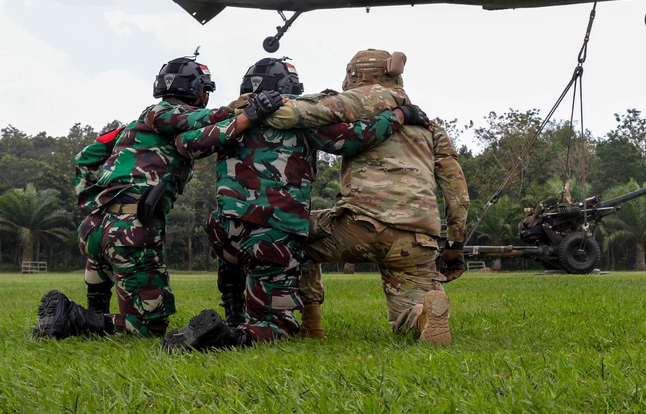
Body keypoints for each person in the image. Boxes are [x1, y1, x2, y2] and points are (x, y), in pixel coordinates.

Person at [159, 57, 428, 352]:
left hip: (225, 231)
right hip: (273, 233)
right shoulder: (299, 121)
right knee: (277, 326)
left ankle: (234, 317)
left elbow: (187, 143)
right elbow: (353, 140)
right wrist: (399, 115)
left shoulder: (234, 118)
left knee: (236, 259)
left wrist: (242, 118)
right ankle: (227, 336)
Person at [33, 56, 282, 340]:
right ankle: (71, 317)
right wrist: (245, 113)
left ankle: (82, 319)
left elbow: (84, 157)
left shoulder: (132, 127)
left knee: (113, 291)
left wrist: (89, 202)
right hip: (130, 230)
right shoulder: (166, 114)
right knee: (148, 327)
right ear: (200, 92)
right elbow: (196, 122)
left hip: (95, 227)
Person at [265, 49, 470, 345]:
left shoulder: (362, 98)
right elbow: (457, 191)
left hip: (360, 227)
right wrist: (455, 244)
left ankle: (311, 324)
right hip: (418, 239)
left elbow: (295, 114)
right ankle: (423, 316)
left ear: (356, 74)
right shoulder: (430, 126)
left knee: (294, 232)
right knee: (406, 316)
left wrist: (256, 108)